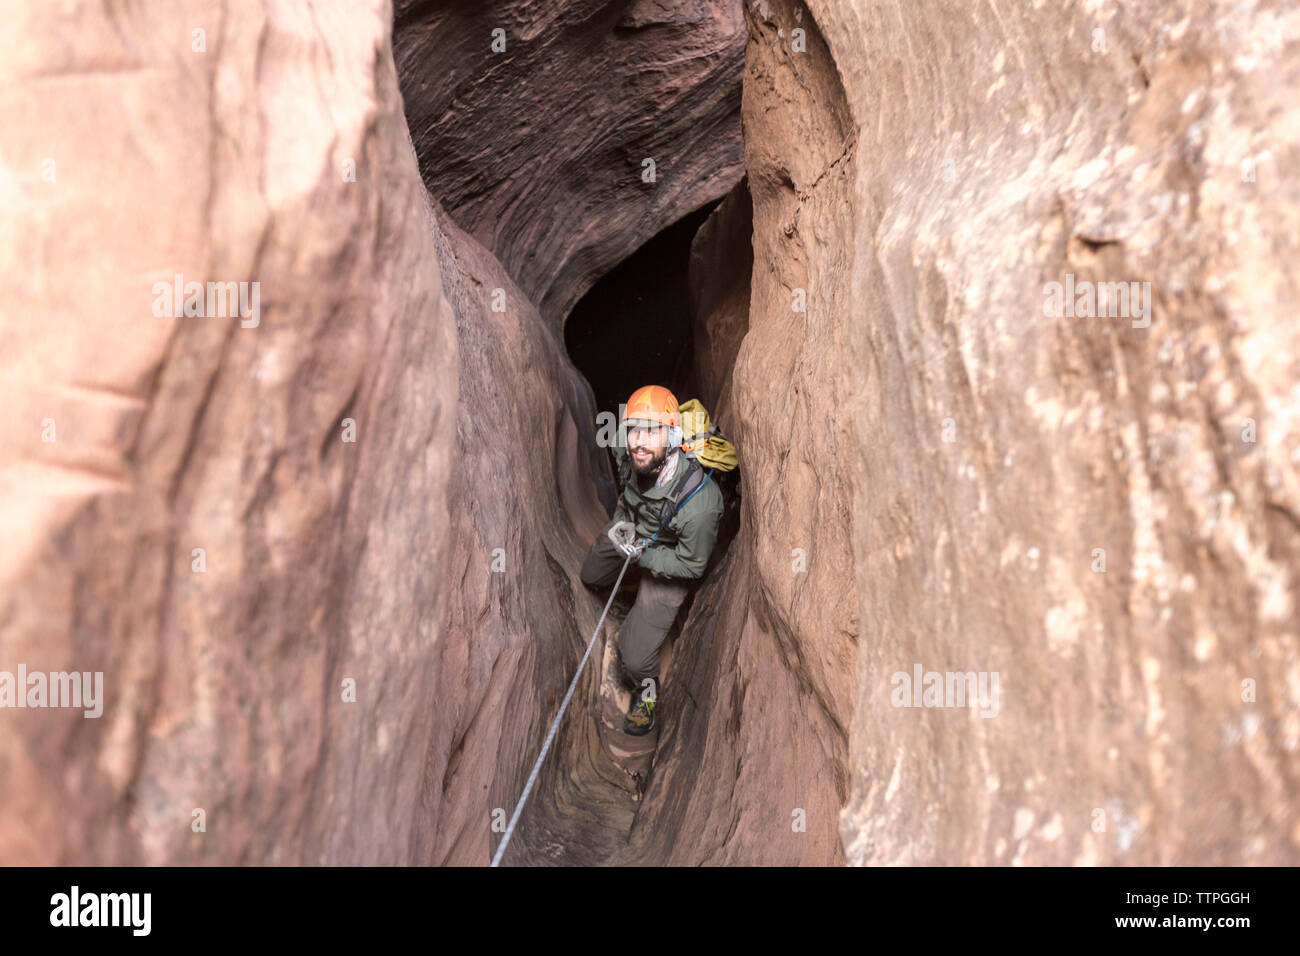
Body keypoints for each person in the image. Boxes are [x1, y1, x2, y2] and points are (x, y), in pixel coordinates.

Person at [580, 385, 725, 736]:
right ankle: (628, 590)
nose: (638, 442)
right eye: (633, 430)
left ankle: (648, 696)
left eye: (651, 431)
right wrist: (622, 529)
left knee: (635, 656)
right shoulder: (624, 442)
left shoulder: (700, 504)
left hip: (668, 555)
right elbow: (622, 459)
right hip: (631, 520)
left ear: (673, 435)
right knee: (591, 574)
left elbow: (692, 565)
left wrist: (644, 556)